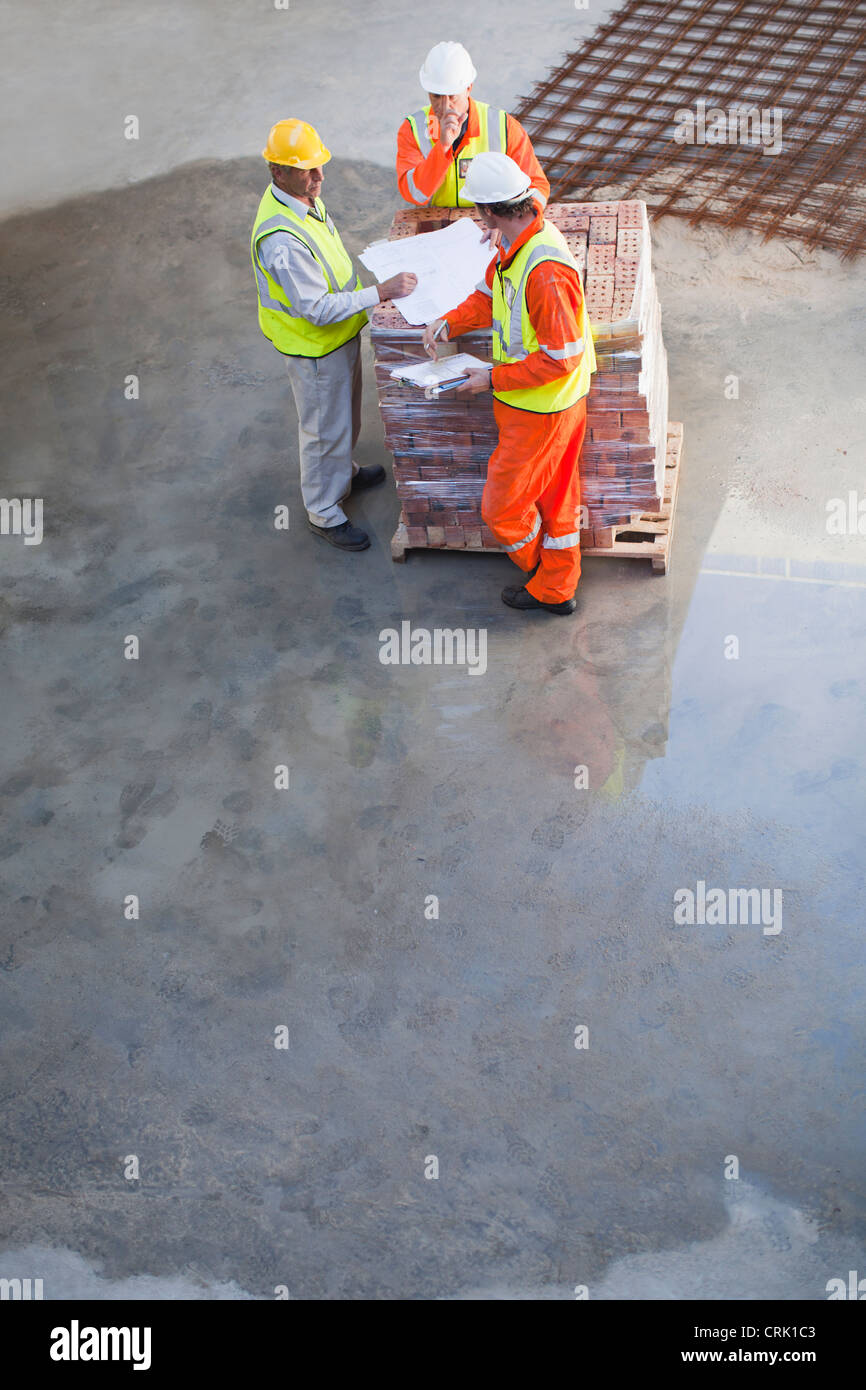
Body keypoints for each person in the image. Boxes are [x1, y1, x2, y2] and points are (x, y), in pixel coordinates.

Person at [422, 152, 596, 615]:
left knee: (501, 509)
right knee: (558, 499)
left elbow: (563, 357)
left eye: (478, 211)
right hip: (541, 404)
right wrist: (447, 325)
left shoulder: (544, 272)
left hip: (541, 409)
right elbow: (488, 297)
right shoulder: (516, 243)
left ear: (491, 210)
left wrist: (490, 378)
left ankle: (542, 577)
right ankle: (557, 589)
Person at [251, 119, 417, 551]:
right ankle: (323, 512)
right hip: (315, 348)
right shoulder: (282, 239)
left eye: (319, 166)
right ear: (278, 172)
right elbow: (317, 309)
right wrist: (380, 293)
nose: (319, 177)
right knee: (323, 429)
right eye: (307, 170)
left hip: (339, 337)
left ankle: (343, 473)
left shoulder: (302, 203)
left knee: (343, 418)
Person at [396, 41, 549, 225]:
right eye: (436, 96)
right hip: (438, 226)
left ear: (468, 88)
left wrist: (511, 225)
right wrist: (443, 147)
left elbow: (537, 187)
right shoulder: (413, 129)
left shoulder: (503, 126)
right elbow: (414, 194)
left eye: (452, 96)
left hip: (495, 223)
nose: (444, 106)